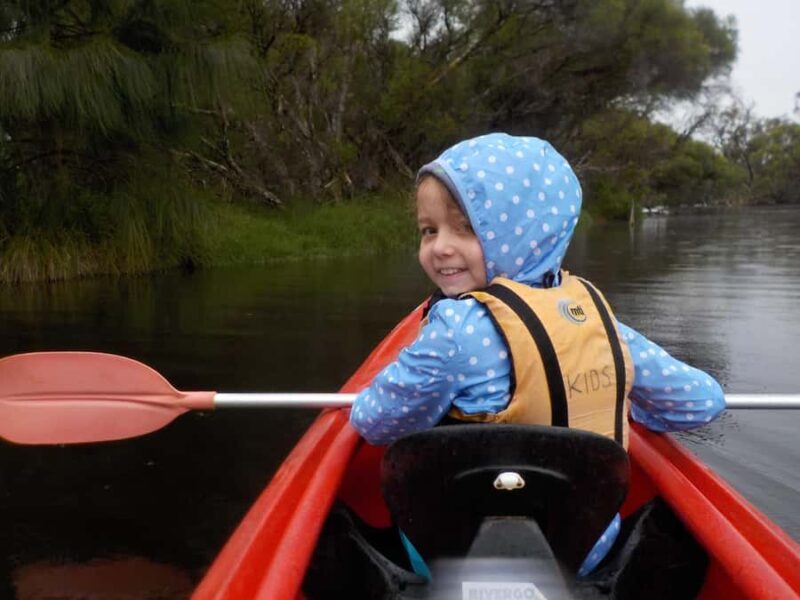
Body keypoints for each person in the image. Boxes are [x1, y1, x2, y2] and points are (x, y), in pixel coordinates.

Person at [348, 132, 725, 576]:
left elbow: (375, 422)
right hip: (584, 549)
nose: (440, 247)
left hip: (451, 550)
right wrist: (623, 398)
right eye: (429, 230)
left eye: (466, 228)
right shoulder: (601, 324)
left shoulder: (451, 332)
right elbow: (703, 402)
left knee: (344, 531)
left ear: (521, 233)